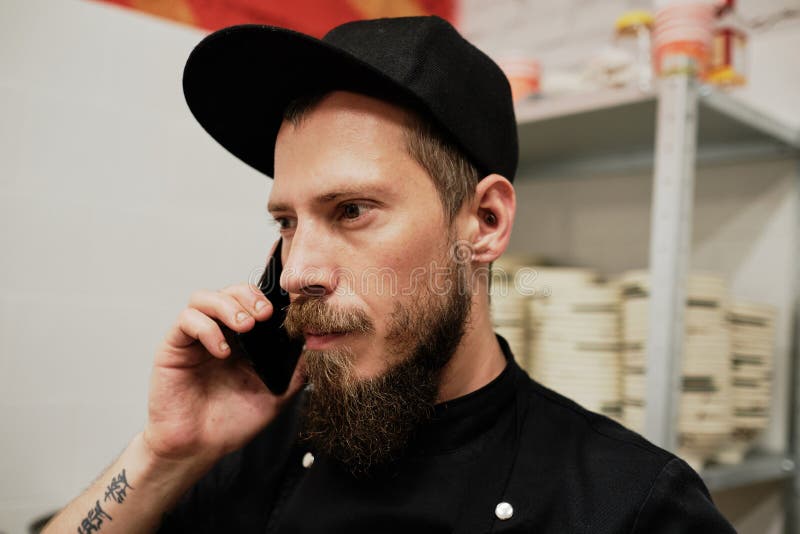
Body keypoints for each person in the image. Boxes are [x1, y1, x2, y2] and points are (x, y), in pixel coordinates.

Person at [44, 16, 735, 533]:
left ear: (485, 222)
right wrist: (166, 455)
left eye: (351, 210)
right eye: (287, 222)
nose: (297, 272)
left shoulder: (629, 504)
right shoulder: (245, 447)